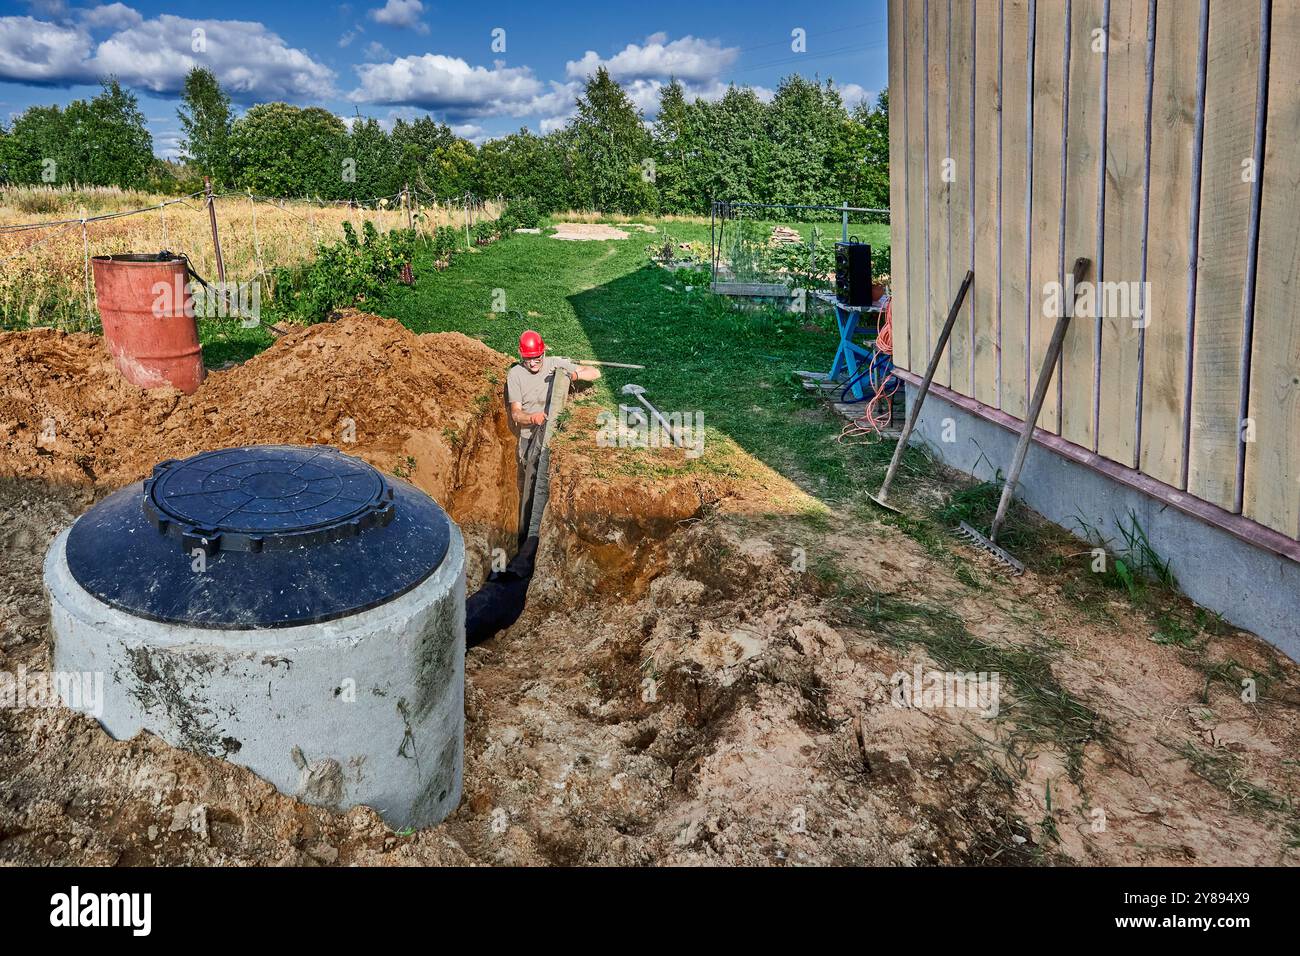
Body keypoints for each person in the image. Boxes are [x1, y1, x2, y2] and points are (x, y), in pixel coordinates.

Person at [506, 330, 600, 484]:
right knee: (530, 476)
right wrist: (531, 418)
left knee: (550, 478)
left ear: (543, 352)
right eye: (527, 359)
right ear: (521, 355)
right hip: (528, 437)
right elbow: (515, 413)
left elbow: (594, 373)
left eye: (536, 358)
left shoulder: (554, 364)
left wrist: (572, 376)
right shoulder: (515, 374)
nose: (532, 363)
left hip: (552, 435)